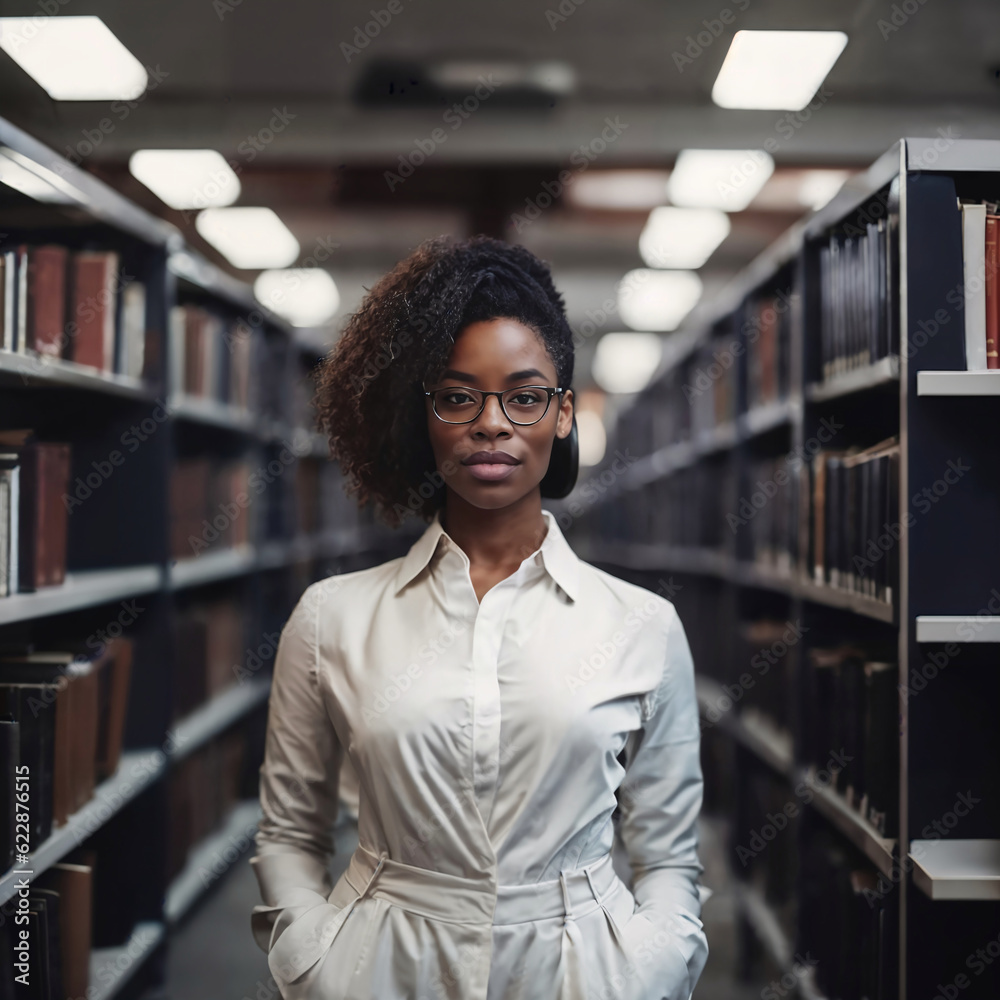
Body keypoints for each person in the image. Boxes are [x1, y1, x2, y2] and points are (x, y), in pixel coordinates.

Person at [248, 234, 710, 1000]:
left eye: (524, 396)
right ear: (423, 415)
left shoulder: (643, 626)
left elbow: (666, 854)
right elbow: (290, 834)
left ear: (562, 415)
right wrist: (311, 959)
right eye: (458, 397)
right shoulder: (331, 619)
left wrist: (654, 965)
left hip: (583, 975)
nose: (491, 423)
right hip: (382, 970)